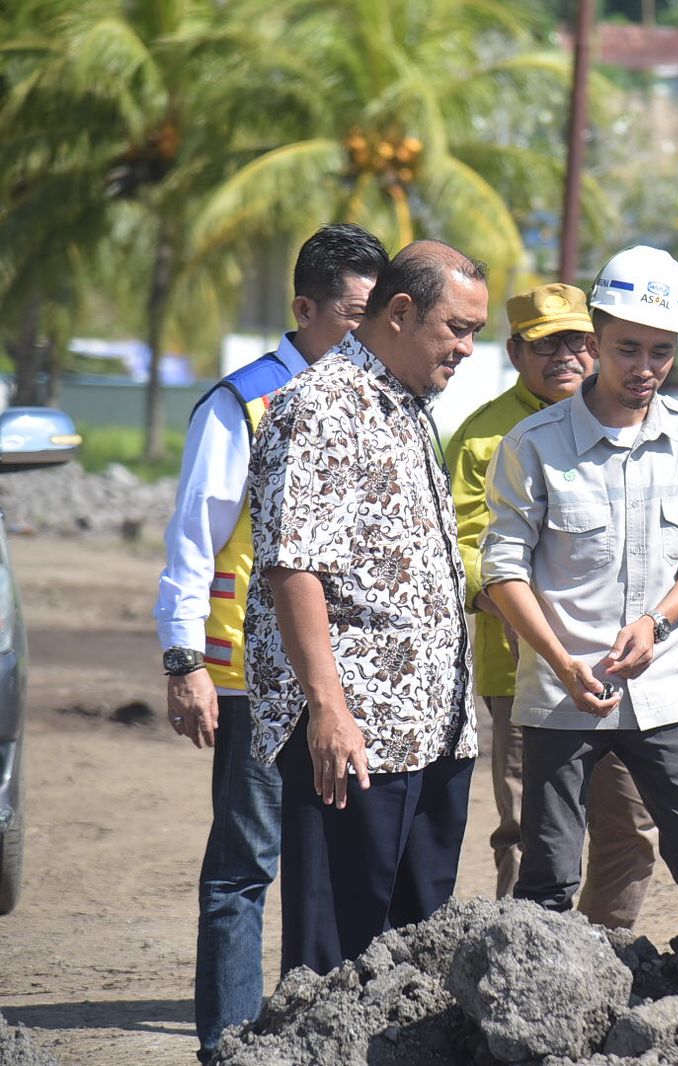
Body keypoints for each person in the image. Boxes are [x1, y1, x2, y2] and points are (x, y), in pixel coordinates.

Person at [153, 223, 387, 1062]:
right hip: (252, 676)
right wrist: (184, 663)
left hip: (348, 682)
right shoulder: (243, 401)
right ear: (304, 308)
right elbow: (194, 540)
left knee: (338, 859)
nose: (368, 334)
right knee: (246, 860)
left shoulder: (381, 406)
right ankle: (230, 1038)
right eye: (354, 315)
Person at [244, 240, 486, 973]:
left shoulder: (407, 406)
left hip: (429, 731)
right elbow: (294, 567)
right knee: (336, 963)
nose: (470, 349)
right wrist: (328, 710)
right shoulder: (319, 406)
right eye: (459, 329)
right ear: (402, 312)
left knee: (412, 959)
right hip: (356, 741)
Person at [480, 245, 678, 915]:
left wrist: (657, 624)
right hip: (561, 693)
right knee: (547, 882)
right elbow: (502, 569)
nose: (645, 368)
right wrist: (561, 662)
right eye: (628, 348)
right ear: (595, 341)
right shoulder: (533, 445)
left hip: (665, 689)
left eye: (662, 351)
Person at [447, 283, 657, 921]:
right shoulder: (482, 439)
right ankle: (523, 967)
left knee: (629, 823)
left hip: (622, 663)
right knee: (530, 830)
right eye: (546, 344)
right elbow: (459, 552)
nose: (566, 355)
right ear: (515, 352)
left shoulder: (638, 422)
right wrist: (530, 614)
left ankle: (606, 953)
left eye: (578, 340)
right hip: (524, 672)